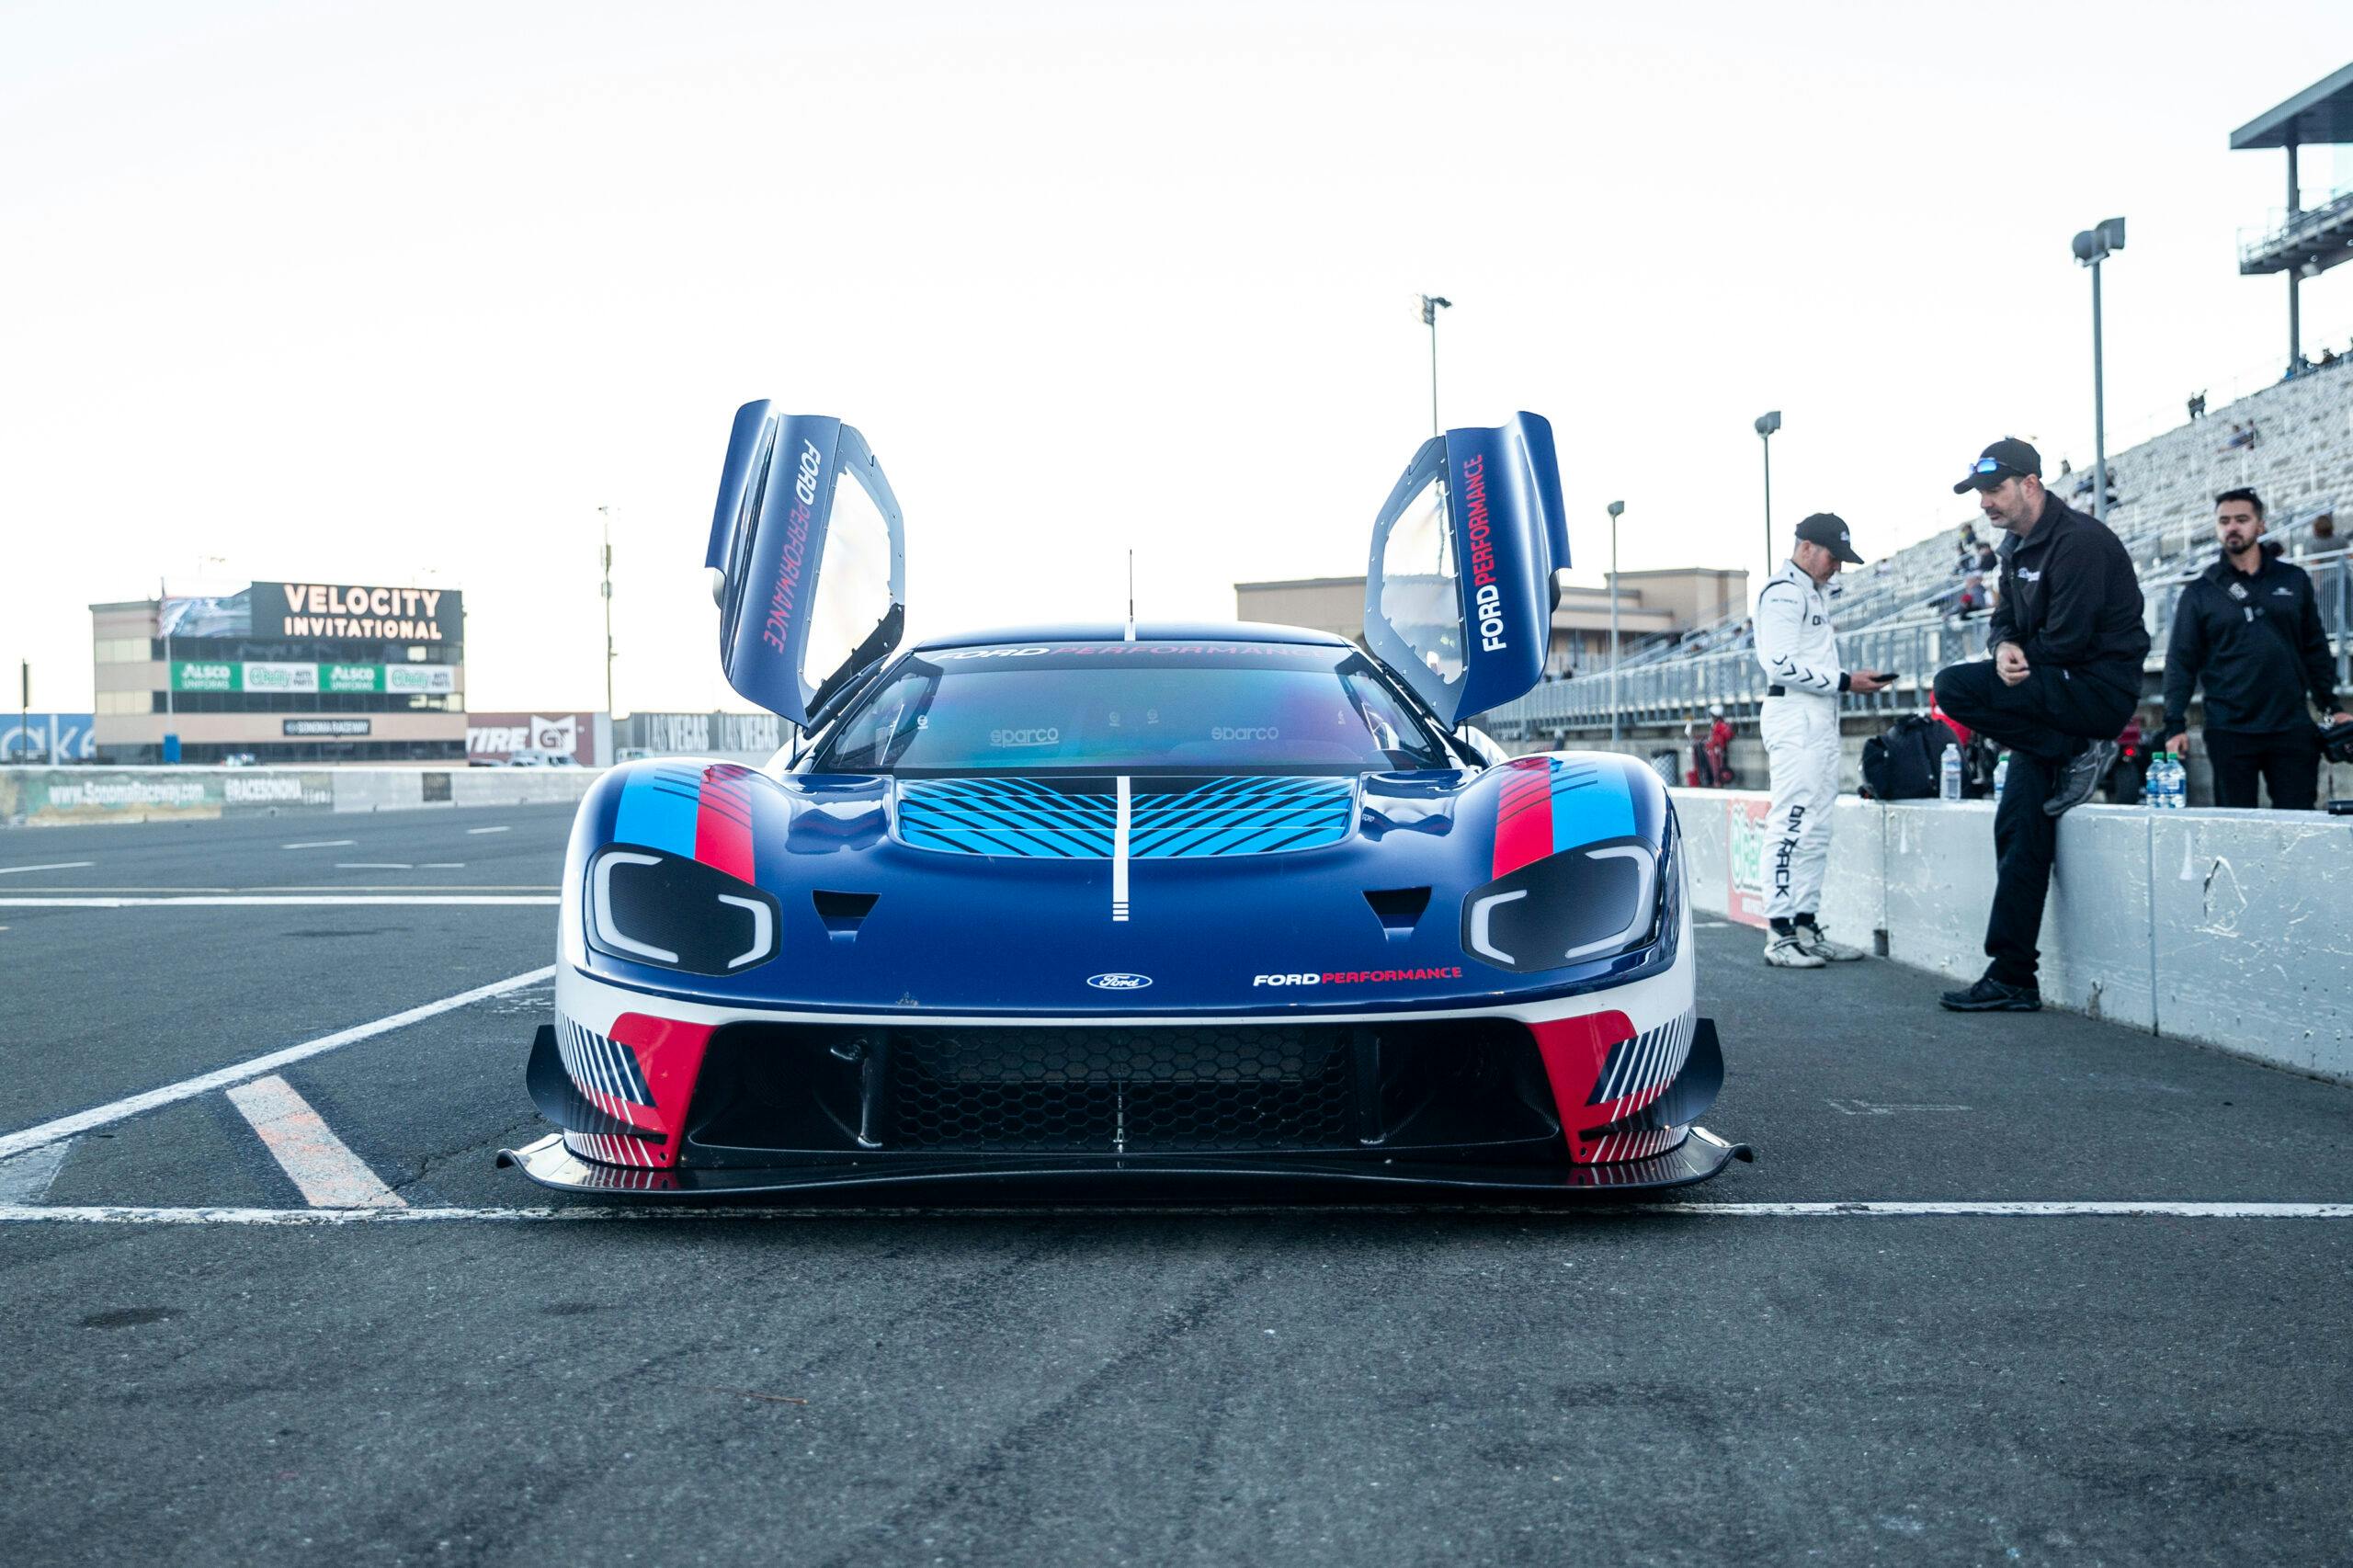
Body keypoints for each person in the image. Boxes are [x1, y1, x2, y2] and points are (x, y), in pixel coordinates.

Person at [1930, 438, 2150, 1012]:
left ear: (2031, 484)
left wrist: (2016, 659)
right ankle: (2013, 976)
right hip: (2050, 704)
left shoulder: (2079, 542)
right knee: (2019, 825)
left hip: (2093, 695)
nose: (1984, 502)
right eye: (1979, 492)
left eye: (1994, 490)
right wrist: (2004, 646)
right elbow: (2005, 620)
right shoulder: (2015, 548)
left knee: (1952, 687)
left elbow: (2069, 641)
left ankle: (2078, 746)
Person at [1754, 512, 1890, 968]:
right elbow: (1778, 664)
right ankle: (1779, 933)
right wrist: (1847, 680)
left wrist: (1842, 683)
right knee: (1791, 820)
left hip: (1818, 716)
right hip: (1794, 715)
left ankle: (1806, 926)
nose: (1838, 567)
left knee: (1817, 826)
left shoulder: (1810, 592)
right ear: (1807, 547)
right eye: (1834, 556)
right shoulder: (1783, 593)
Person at [2161, 488, 2350, 810]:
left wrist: (2331, 707)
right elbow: (2181, 660)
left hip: (2291, 726)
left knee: (2298, 826)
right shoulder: (2199, 591)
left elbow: (2314, 648)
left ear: (2260, 526)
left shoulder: (2294, 579)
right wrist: (2174, 725)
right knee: (2234, 832)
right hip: (2228, 730)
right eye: (2224, 521)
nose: (2232, 527)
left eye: (2241, 519)